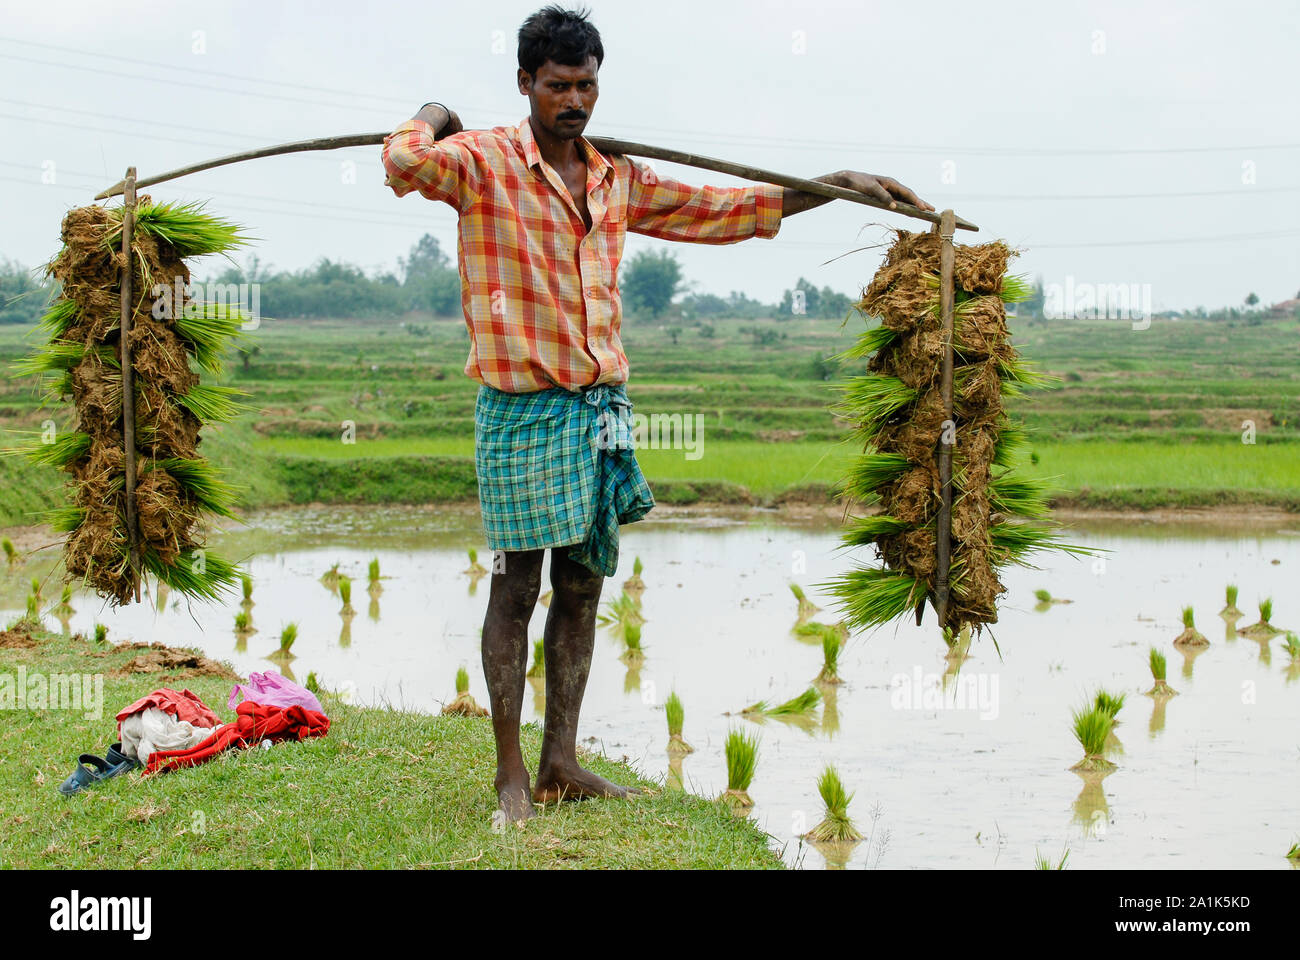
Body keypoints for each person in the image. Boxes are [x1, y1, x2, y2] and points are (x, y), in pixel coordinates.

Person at [381, 4, 932, 824]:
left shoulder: (616, 177)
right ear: (525, 84)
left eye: (588, 86)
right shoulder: (482, 163)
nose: (576, 101)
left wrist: (832, 187)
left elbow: (720, 212)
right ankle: (509, 778)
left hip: (600, 409)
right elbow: (400, 161)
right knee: (512, 588)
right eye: (559, 86)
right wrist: (433, 112)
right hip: (521, 411)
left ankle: (561, 759)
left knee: (582, 585)